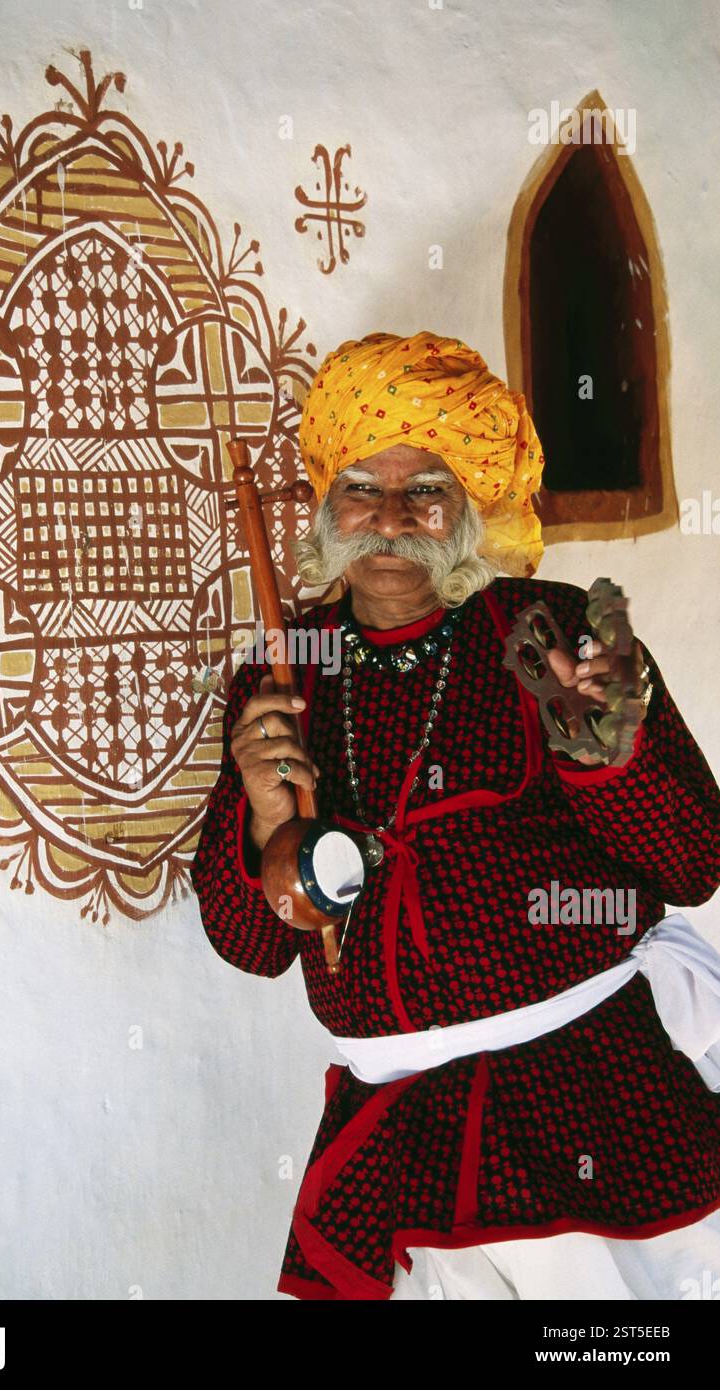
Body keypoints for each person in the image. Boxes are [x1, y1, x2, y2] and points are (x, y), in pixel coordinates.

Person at [189, 330, 720, 1300]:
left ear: (467, 506)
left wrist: (608, 751)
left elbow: (690, 863)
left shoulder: (543, 627)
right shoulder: (280, 670)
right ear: (326, 506)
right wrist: (266, 820)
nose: (391, 516)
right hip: (395, 1136)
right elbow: (249, 944)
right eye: (361, 486)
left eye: (425, 487)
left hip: (588, 1102)